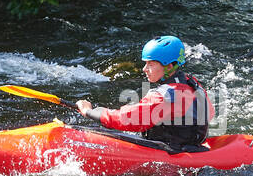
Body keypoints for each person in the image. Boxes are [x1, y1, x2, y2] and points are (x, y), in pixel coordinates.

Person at [76, 36, 215, 150]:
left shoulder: (164, 96)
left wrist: (89, 112)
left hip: (170, 152)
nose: (144, 69)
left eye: (150, 64)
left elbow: (125, 119)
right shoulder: (192, 83)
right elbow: (210, 112)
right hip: (192, 147)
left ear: (169, 66)